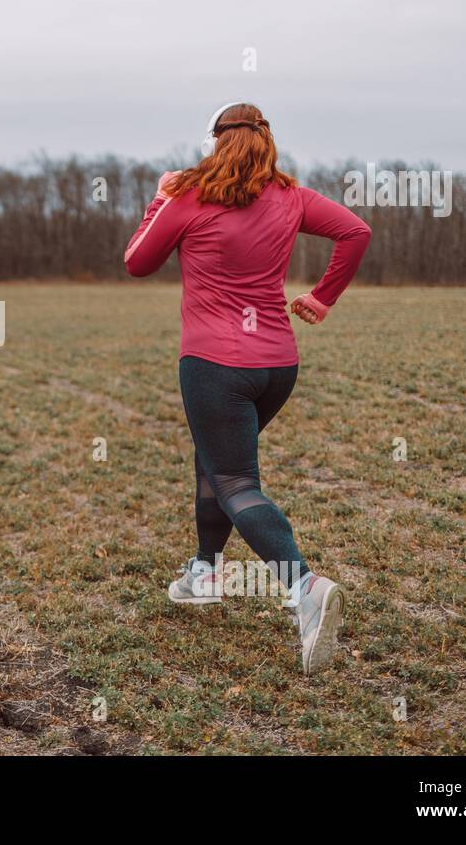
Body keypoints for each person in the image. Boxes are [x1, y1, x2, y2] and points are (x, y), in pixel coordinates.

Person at [123, 102, 371, 675]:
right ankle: (205, 572)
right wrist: (322, 298)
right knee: (215, 460)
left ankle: (303, 586)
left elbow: (138, 262)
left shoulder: (188, 192)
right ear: (266, 141)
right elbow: (357, 231)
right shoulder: (291, 196)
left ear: (216, 141)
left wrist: (160, 197)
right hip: (277, 368)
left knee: (234, 478)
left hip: (215, 365)